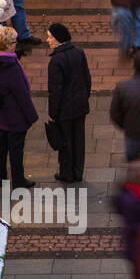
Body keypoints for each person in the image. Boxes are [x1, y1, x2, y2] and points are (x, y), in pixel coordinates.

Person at [0, 26, 38, 188]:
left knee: (0, 148)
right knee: (16, 149)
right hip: (13, 117)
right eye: (14, 41)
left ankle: (1, 178)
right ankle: (18, 179)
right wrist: (32, 117)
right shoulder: (11, 68)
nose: (17, 44)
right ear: (8, 46)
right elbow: (22, 96)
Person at [46, 24, 91, 184]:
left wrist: (53, 111)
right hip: (80, 106)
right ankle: (78, 171)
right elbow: (87, 78)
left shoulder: (56, 61)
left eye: (50, 37)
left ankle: (67, 173)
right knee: (78, 140)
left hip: (64, 109)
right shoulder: (79, 52)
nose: (48, 40)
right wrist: (85, 97)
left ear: (58, 39)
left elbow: (55, 90)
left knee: (65, 142)